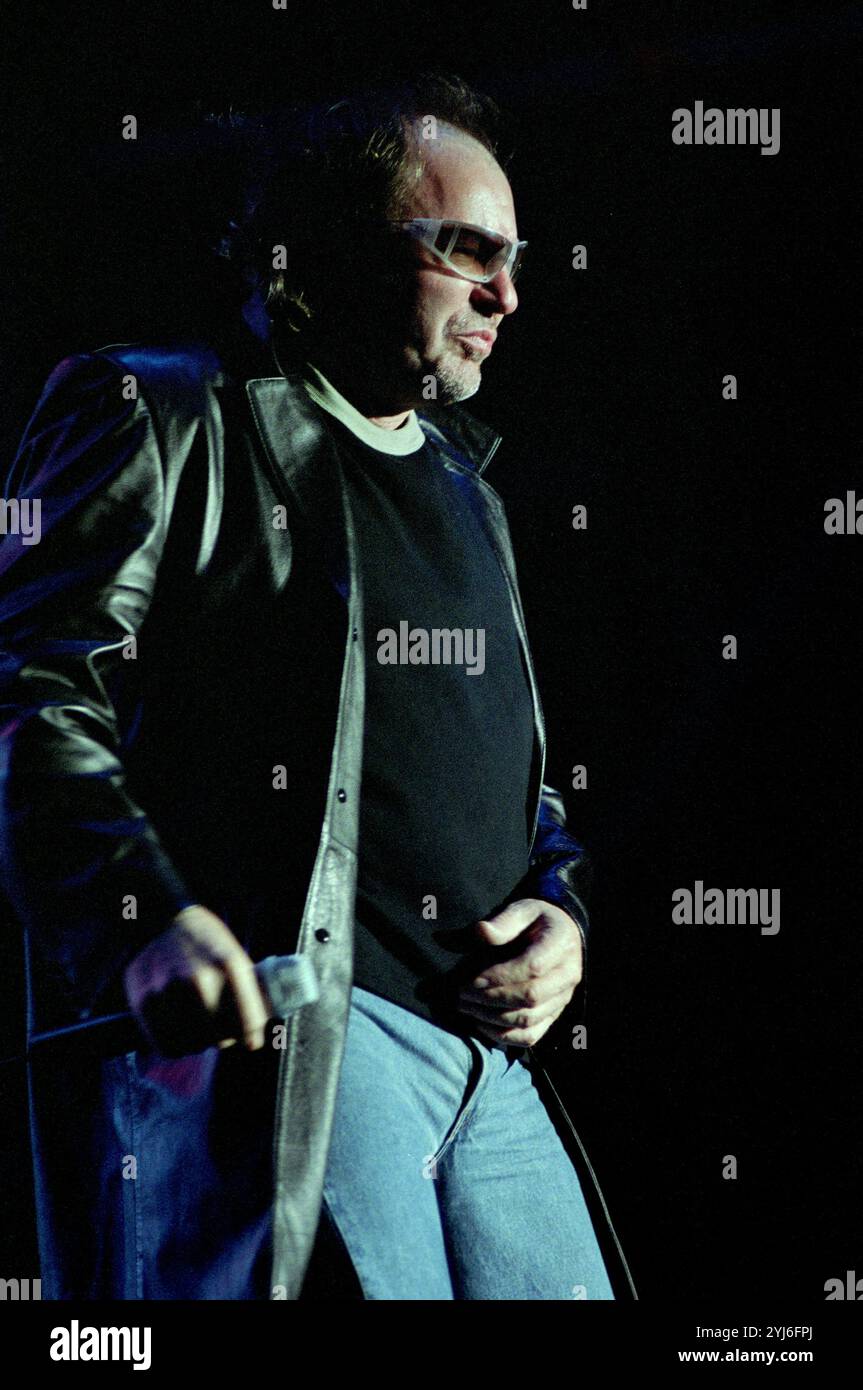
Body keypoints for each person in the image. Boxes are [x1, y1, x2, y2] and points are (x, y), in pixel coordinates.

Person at [0, 72, 637, 1300]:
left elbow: (516, 786)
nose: (506, 292)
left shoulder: (471, 493)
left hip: (490, 1078)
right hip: (310, 1031)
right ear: (335, 244)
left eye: (514, 257)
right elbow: (34, 681)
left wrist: (562, 911)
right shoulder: (170, 409)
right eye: (465, 250)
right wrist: (136, 914)